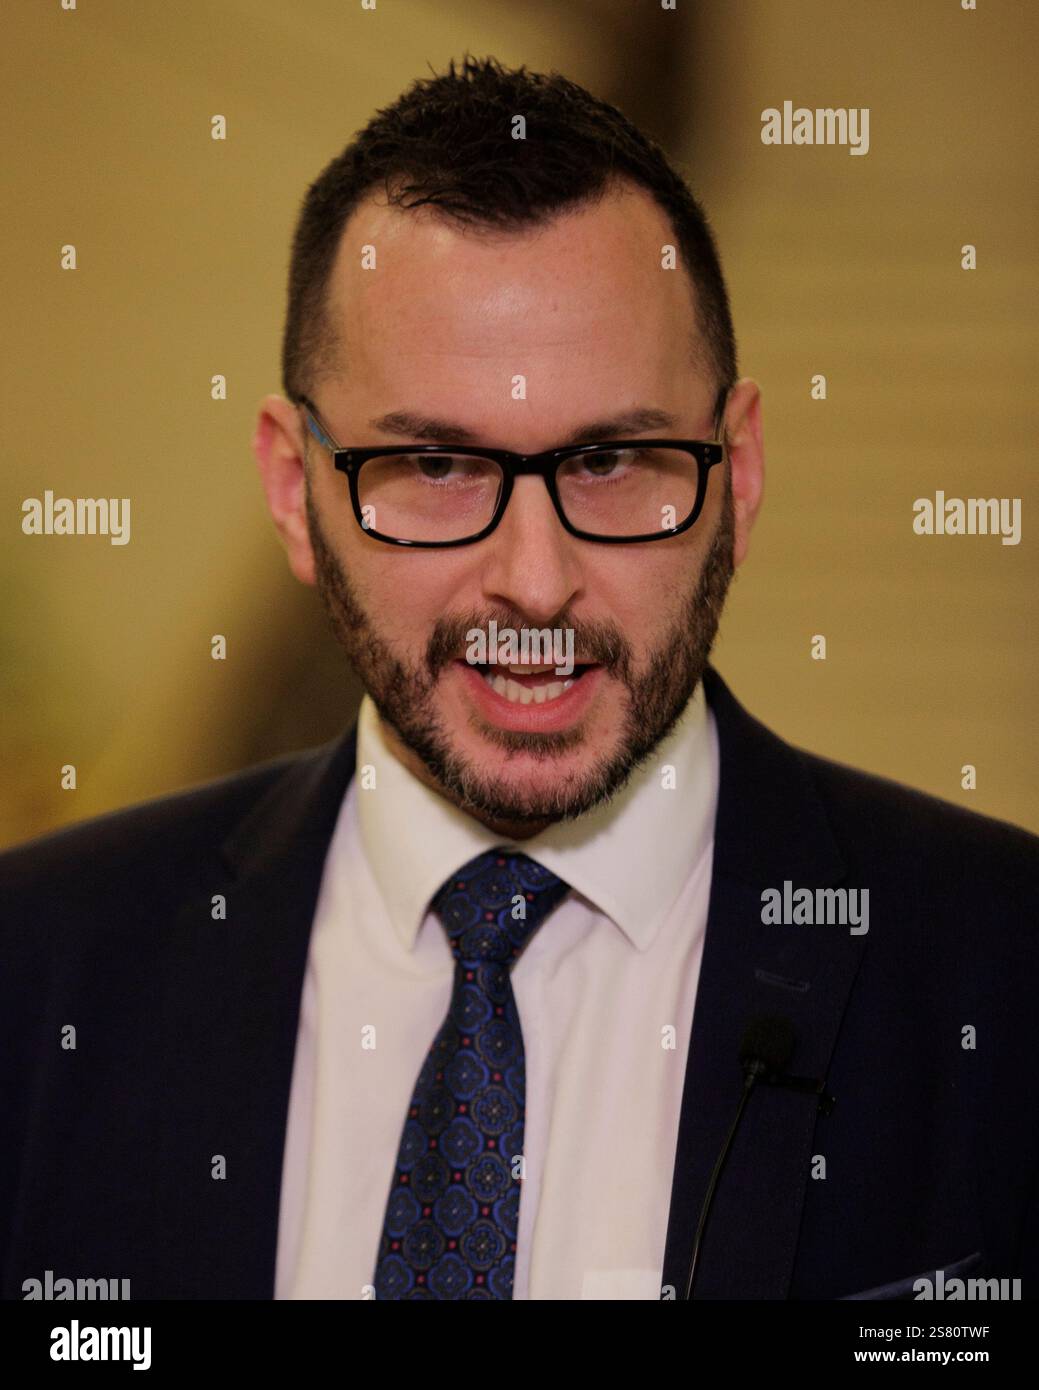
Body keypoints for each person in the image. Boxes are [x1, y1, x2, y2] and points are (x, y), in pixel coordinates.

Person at [2, 55, 1037, 1303]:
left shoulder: (1002, 967)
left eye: (613, 459)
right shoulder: (38, 973)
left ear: (741, 472)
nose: (535, 583)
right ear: (293, 490)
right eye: (435, 464)